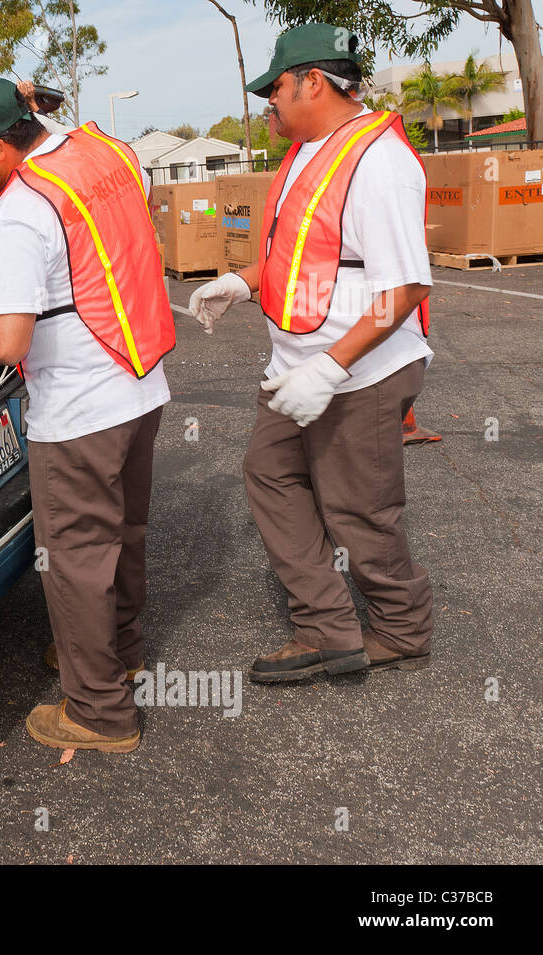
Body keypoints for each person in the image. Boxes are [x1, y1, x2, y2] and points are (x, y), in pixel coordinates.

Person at [0, 78, 174, 752]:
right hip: (140, 386)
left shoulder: (23, 211)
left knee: (77, 557)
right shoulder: (109, 153)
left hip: (80, 408)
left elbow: (3, 343)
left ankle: (98, 711)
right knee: (122, 533)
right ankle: (118, 654)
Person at [188, 22, 434, 683]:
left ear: (313, 82)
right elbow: (299, 253)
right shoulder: (307, 150)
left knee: (359, 508)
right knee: (271, 476)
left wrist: (331, 367)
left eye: (276, 93)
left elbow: (405, 286)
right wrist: (240, 283)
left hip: (363, 372)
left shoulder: (379, 162)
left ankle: (402, 626)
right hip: (299, 368)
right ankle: (326, 626)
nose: (270, 106)